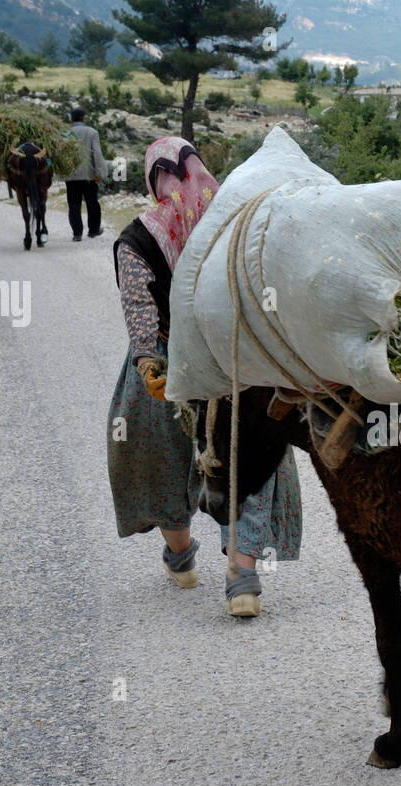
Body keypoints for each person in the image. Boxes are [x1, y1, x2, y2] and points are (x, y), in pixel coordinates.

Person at [106, 136, 301, 617]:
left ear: (154, 182)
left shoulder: (137, 238)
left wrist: (149, 361)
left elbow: (139, 305)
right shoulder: (232, 216)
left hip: (173, 361)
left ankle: (181, 556)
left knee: (155, 451)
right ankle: (244, 577)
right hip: (238, 356)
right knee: (247, 454)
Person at [66, 108, 108, 241]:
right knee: (92, 203)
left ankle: (77, 234)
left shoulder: (65, 134)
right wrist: (100, 172)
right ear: (83, 119)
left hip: (71, 176)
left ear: (71, 119)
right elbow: (97, 153)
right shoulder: (92, 132)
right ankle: (93, 231)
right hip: (89, 176)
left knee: (73, 204)